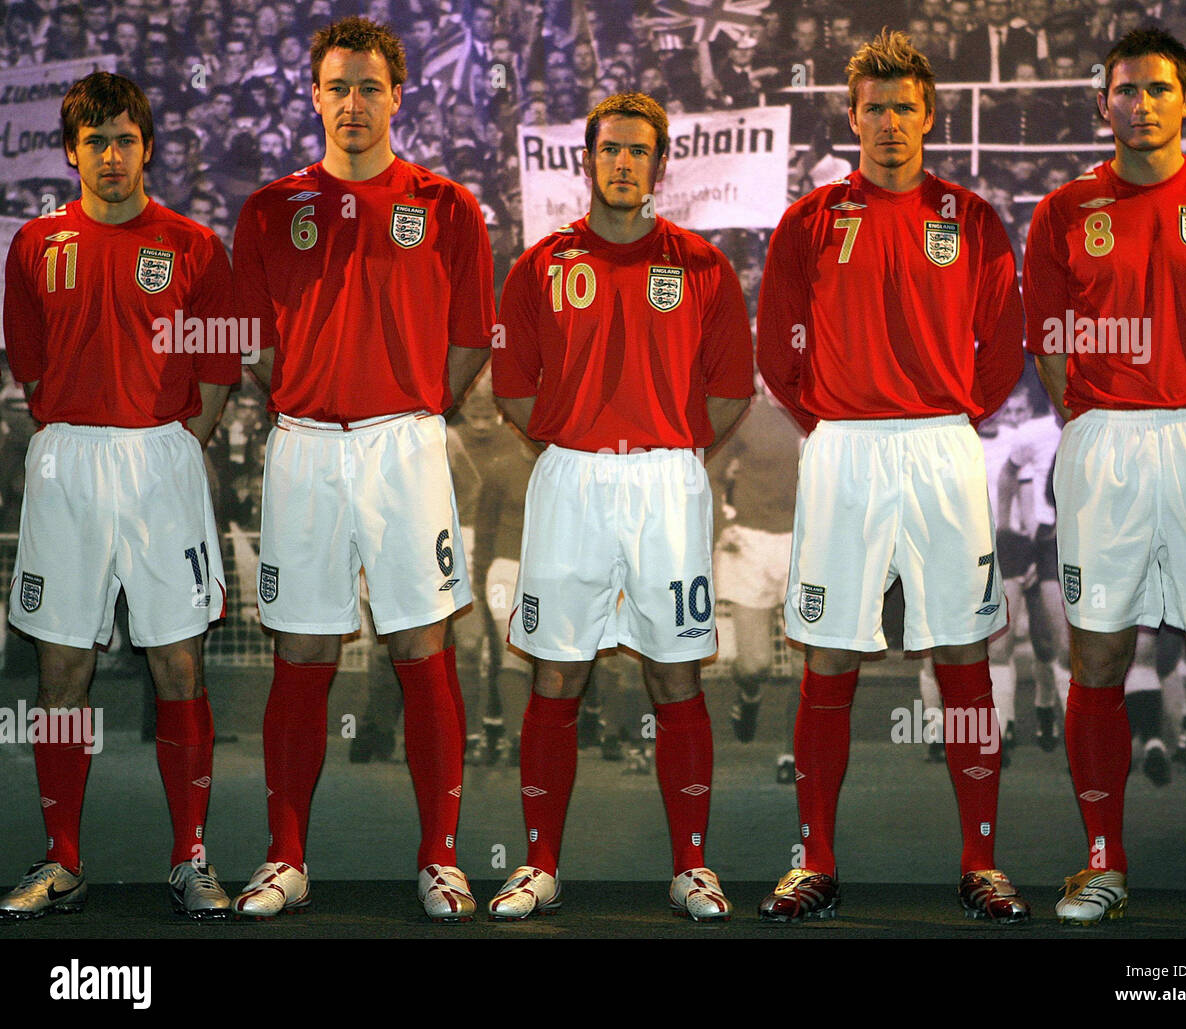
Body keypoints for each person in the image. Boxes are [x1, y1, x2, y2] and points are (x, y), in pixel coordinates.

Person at [756, 30, 1027, 924]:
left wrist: (950, 416)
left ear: (930, 115)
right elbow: (776, 349)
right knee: (828, 651)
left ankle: (980, 862)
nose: (889, 123)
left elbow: (1003, 351)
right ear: (852, 116)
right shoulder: (811, 218)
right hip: (846, 449)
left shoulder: (973, 218)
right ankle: (815, 860)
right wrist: (834, 423)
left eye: (904, 107)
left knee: (961, 651)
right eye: (873, 108)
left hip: (944, 447)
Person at [1023, 28, 1186, 926]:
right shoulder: (1062, 211)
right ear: (1104, 103)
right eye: (1125, 90)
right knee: (1097, 649)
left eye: (1157, 89)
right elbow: (1051, 345)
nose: (1141, 104)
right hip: (1107, 443)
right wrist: (1097, 417)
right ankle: (1102, 861)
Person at [231, 16, 495, 922]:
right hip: (304, 443)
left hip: (406, 445)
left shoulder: (448, 205)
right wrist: (318, 392)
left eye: (369, 86)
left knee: (424, 645)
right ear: (314, 96)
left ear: (397, 94)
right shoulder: (269, 208)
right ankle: (285, 858)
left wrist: (411, 403)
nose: (353, 103)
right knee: (300, 650)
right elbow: (256, 348)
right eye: (337, 86)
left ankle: (441, 858)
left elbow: (467, 348)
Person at [489, 91, 753, 922]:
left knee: (675, 673)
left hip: (667, 484)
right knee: (557, 672)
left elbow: (729, 392)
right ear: (587, 160)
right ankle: (539, 864)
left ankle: (693, 867)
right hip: (570, 480)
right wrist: (583, 442)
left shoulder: (704, 267)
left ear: (660, 163)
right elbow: (515, 389)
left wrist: (662, 446)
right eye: (610, 150)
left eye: (640, 151)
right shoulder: (540, 264)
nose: (624, 163)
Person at [0, 72, 238, 920]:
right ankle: (62, 858)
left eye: (125, 139)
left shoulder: (193, 244)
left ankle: (191, 856)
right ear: (71, 153)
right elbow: (29, 367)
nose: (110, 155)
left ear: (146, 147)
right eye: (94, 141)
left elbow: (216, 375)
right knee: (62, 666)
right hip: (67, 460)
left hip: (161, 461)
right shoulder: (33, 244)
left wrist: (167, 452)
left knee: (179, 661)